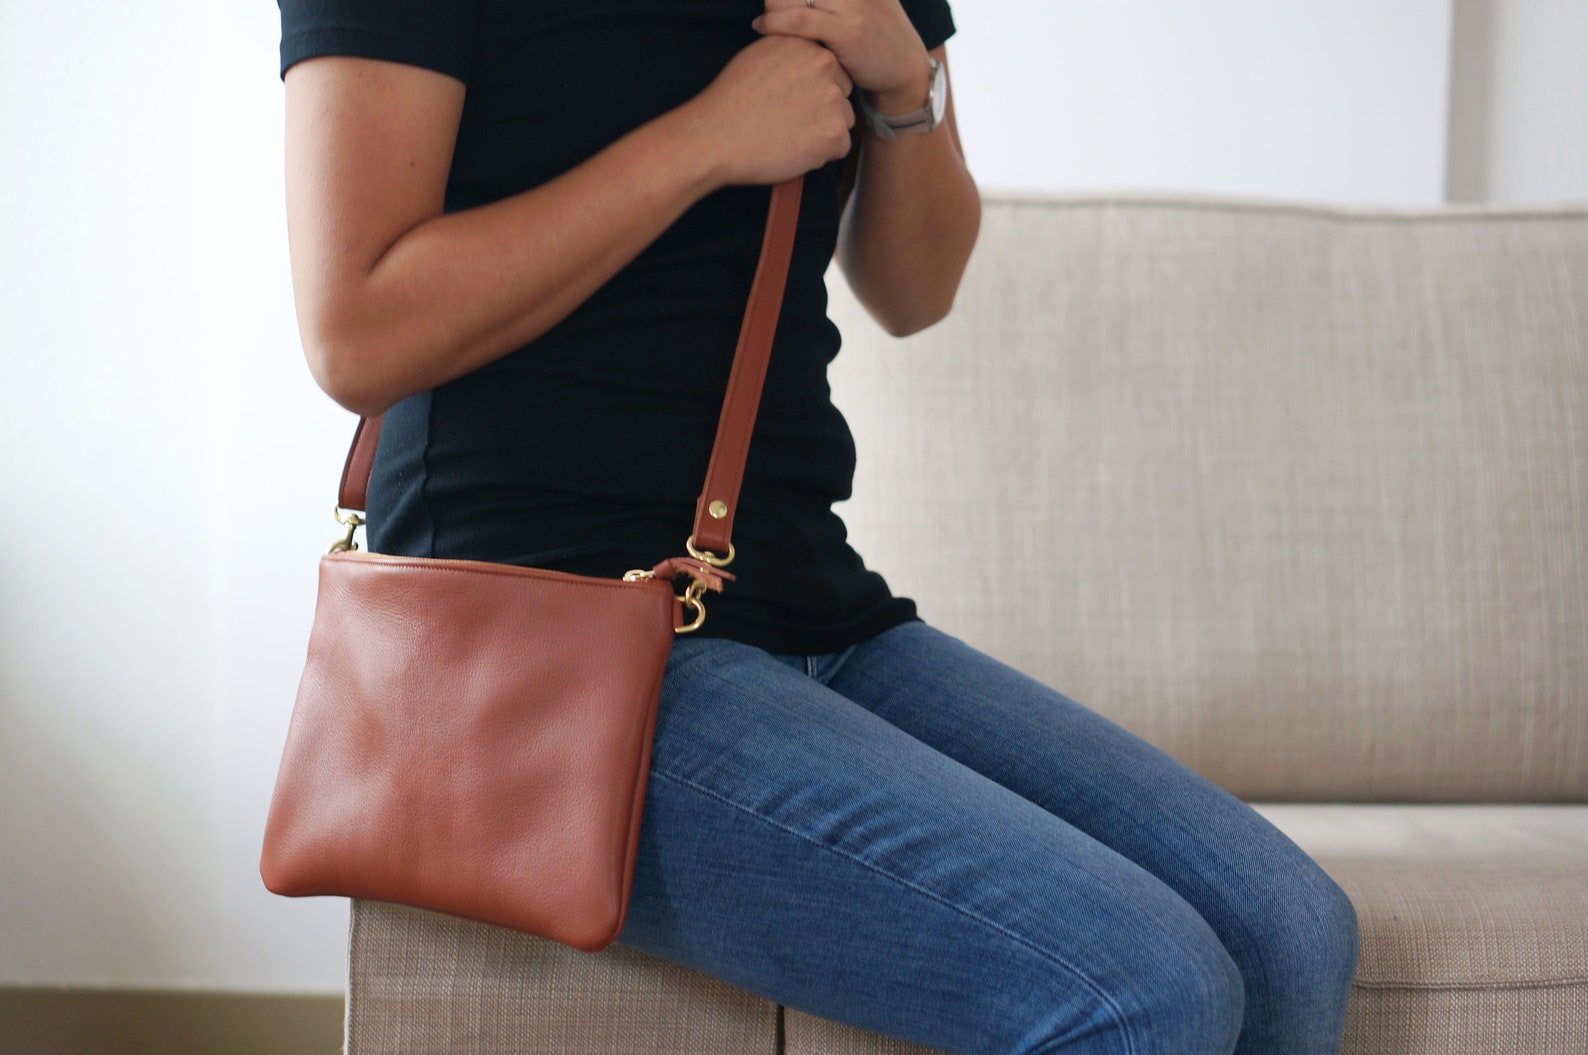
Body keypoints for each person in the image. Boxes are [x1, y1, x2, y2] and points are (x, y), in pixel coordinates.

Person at [275, 1, 1359, 1052]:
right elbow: (357, 329)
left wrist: (905, 85)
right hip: (537, 632)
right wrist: (703, 142)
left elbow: (915, 287)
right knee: (1144, 987)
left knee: (1292, 935)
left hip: (801, 597)